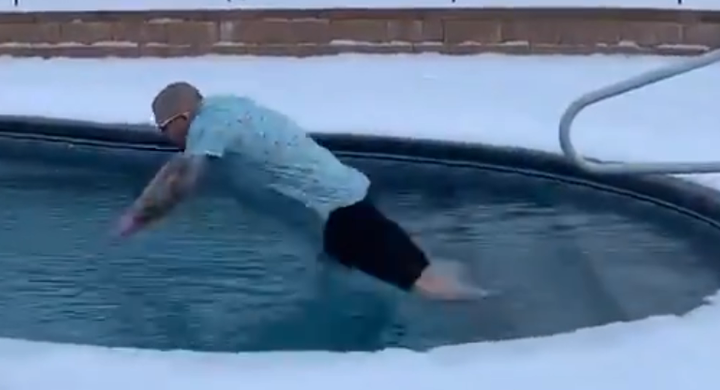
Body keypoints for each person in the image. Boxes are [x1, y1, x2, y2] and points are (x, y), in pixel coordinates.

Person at [114, 81, 486, 302]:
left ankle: (490, 312)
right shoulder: (226, 106)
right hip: (348, 192)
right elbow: (173, 170)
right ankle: (458, 276)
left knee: (418, 282)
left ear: (180, 118)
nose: (165, 137)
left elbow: (181, 182)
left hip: (338, 213)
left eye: (164, 128)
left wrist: (138, 221)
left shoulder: (206, 130)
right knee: (349, 267)